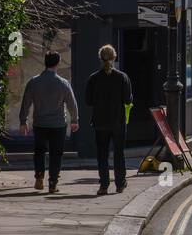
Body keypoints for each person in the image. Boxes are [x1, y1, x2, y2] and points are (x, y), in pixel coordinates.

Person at [19, 51, 79, 193]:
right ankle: (53, 183)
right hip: (58, 124)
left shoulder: (34, 82)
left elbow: (25, 103)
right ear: (57, 63)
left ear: (45, 62)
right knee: (56, 153)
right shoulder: (63, 83)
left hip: (40, 123)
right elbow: (72, 103)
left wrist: (23, 121)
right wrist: (74, 120)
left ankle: (39, 176)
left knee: (39, 151)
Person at [85, 44, 133, 196]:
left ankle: (104, 185)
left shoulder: (94, 78)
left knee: (102, 155)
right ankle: (120, 184)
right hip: (118, 121)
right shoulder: (122, 77)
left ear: (100, 58)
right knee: (119, 153)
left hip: (100, 122)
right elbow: (127, 100)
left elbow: (88, 101)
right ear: (114, 58)